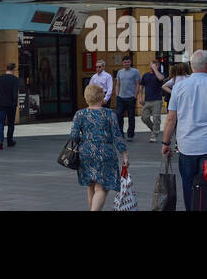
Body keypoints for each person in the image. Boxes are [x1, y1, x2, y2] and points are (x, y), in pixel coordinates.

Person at [162, 50, 207, 210]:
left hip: (186, 147)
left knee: (189, 187)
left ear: (192, 66)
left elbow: (171, 119)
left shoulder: (179, 87)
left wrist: (166, 142)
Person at [71, 82, 128, 211]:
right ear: (101, 98)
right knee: (101, 188)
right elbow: (117, 135)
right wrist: (124, 154)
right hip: (105, 152)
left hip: (85, 152)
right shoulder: (110, 114)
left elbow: (73, 136)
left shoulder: (79, 114)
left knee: (91, 186)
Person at [0, 62, 21, 150]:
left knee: (1, 123)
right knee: (11, 123)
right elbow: (15, 93)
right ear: (13, 70)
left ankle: (0, 141)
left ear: (6, 68)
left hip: (1, 104)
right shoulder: (15, 79)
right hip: (11, 105)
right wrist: (15, 103)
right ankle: (9, 141)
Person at [137, 60, 166, 142]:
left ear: (158, 66)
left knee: (156, 118)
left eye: (154, 65)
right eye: (151, 65)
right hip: (147, 101)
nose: (152, 67)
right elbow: (141, 86)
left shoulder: (160, 74)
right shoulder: (146, 75)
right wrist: (140, 97)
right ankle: (154, 129)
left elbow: (161, 78)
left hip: (157, 100)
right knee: (144, 117)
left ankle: (154, 135)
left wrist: (155, 70)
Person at [113, 55, 140, 139]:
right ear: (122, 63)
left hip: (131, 98)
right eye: (125, 62)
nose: (126, 63)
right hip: (120, 97)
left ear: (130, 62)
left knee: (131, 116)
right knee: (119, 115)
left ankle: (130, 134)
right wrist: (117, 94)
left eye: (128, 62)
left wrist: (135, 95)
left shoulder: (135, 71)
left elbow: (137, 84)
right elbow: (117, 84)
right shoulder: (120, 72)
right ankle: (121, 133)